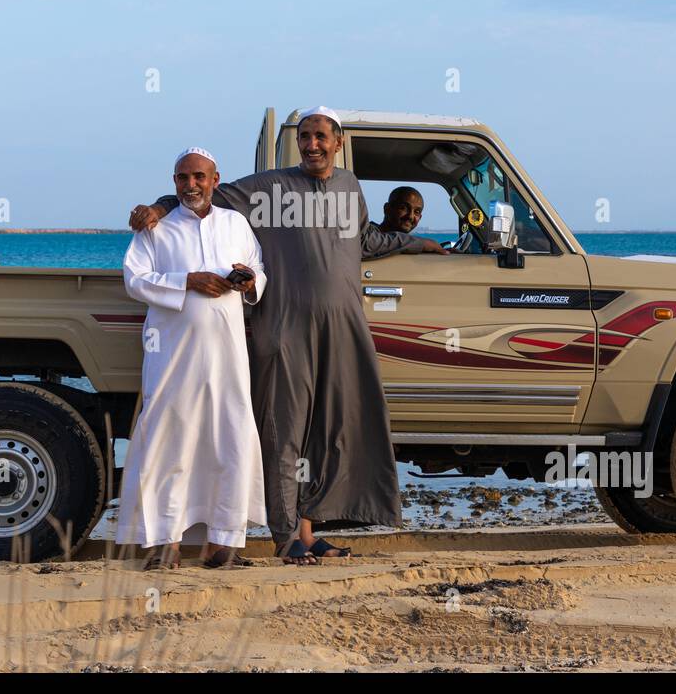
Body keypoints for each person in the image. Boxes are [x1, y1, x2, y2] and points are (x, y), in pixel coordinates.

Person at [129, 107, 446, 565]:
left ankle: (307, 530)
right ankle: (283, 537)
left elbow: (364, 241)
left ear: (338, 142)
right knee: (284, 432)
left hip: (340, 329)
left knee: (325, 430)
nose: (312, 145)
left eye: (320, 137)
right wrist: (159, 208)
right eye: (305, 137)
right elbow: (200, 192)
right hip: (285, 327)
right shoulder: (268, 188)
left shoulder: (349, 187)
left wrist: (420, 243)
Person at [116, 147, 268, 570]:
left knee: (229, 436)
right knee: (169, 437)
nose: (191, 186)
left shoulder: (236, 224)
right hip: (171, 356)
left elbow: (258, 268)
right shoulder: (157, 227)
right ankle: (164, 543)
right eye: (183, 178)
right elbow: (135, 279)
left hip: (226, 356)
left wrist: (249, 279)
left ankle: (224, 543)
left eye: (200, 177)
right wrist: (188, 282)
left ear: (215, 180)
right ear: (174, 182)